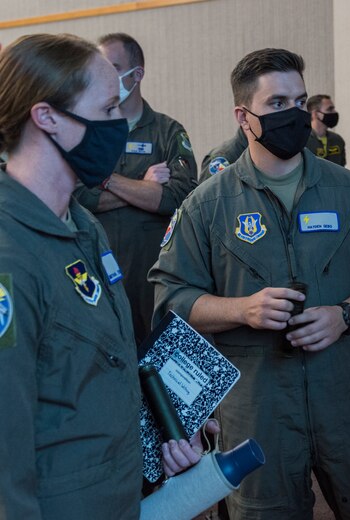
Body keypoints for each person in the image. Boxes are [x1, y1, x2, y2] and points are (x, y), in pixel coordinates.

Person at [149, 48, 350, 519]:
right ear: (243, 117)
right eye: (276, 103)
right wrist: (242, 309)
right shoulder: (207, 206)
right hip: (257, 408)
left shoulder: (348, 191)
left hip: (344, 396)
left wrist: (346, 313)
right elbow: (171, 300)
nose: (293, 114)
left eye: (299, 101)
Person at [0, 33, 207, 520]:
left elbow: (104, 361)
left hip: (117, 491)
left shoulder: (83, 225)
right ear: (47, 117)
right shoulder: (10, 256)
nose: (119, 124)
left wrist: (165, 424)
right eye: (108, 109)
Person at [73, 32, 198, 348]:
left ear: (137, 73)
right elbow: (79, 196)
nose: (105, 75)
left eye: (113, 67)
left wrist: (106, 179)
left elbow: (177, 197)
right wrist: (145, 187)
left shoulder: (168, 131)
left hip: (153, 276)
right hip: (97, 270)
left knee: (156, 361)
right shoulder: (89, 131)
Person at [305, 94, 346, 166]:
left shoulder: (337, 140)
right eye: (330, 109)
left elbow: (342, 168)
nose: (335, 112)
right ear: (315, 114)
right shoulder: (303, 142)